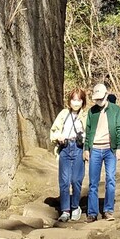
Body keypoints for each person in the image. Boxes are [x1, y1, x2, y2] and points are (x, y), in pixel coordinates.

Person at [84, 82, 120, 220]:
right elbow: (88, 131)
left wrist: (119, 147)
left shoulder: (116, 110)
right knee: (93, 182)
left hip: (110, 149)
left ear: (106, 95)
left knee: (111, 180)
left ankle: (108, 210)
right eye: (96, 99)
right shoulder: (92, 111)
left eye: (101, 98)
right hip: (94, 148)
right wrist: (86, 149)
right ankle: (92, 213)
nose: (99, 101)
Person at [49, 89, 87, 221]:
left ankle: (75, 206)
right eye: (73, 99)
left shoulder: (86, 116)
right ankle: (65, 210)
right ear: (69, 101)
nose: (76, 103)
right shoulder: (64, 114)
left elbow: (90, 133)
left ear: (83, 101)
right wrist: (58, 137)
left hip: (78, 148)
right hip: (65, 147)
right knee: (64, 181)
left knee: (76, 180)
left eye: (79, 100)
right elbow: (53, 131)